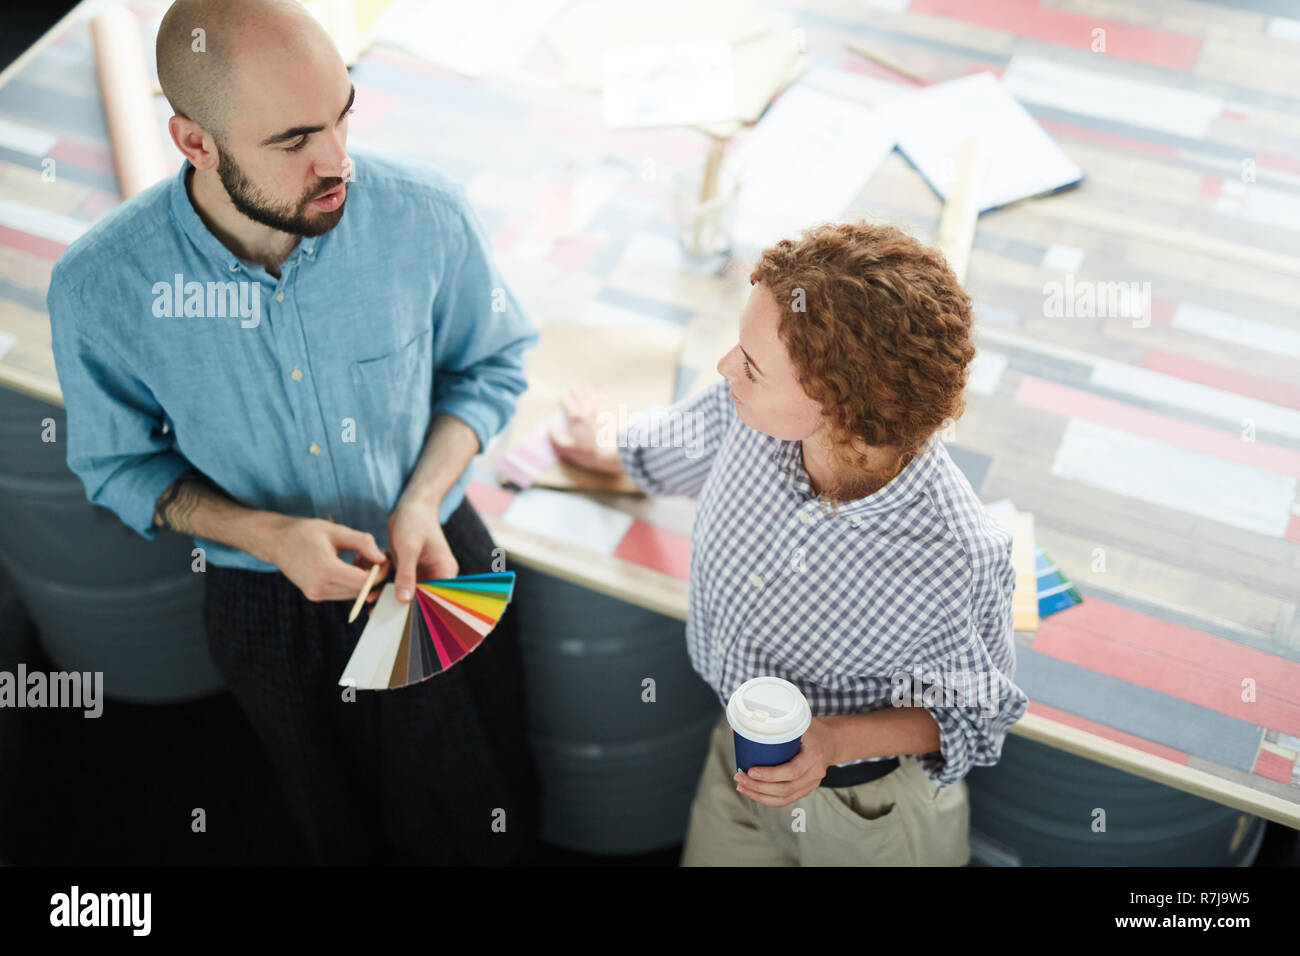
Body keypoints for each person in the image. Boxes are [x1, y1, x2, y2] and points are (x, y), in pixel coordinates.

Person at [46, 0, 540, 864]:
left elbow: (490, 367)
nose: (338, 161)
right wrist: (268, 535)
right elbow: (118, 465)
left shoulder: (427, 215)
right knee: (332, 822)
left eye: (343, 113)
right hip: (264, 601)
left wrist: (422, 497)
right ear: (194, 142)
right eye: (293, 140)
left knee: (480, 807)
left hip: (439, 558)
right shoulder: (101, 288)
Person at [551, 221, 1029, 866]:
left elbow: (975, 714)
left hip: (867, 812)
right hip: (742, 757)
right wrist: (605, 447)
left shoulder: (955, 556)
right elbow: (676, 448)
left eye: (750, 364)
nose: (726, 368)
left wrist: (831, 741)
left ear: (840, 405)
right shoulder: (748, 411)